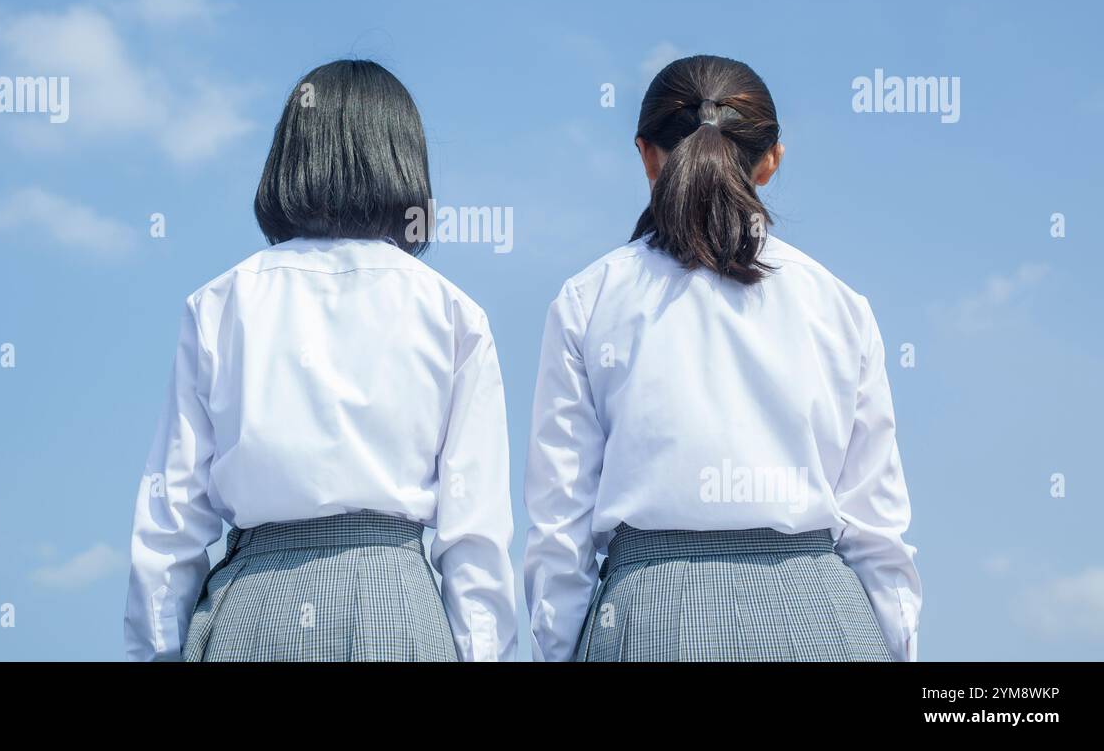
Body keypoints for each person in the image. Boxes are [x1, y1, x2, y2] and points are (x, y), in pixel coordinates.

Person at [524, 54, 921, 662]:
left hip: (650, 620)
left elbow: (559, 532)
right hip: (825, 621)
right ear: (770, 161)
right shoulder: (840, 306)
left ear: (647, 155)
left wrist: (558, 651)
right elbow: (877, 531)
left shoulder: (589, 299)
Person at [125, 59, 518, 661]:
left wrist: (155, 655)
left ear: (289, 156)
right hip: (396, 613)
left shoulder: (220, 303)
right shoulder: (454, 314)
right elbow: (475, 537)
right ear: (405, 162)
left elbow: (171, 527)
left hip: (250, 613)